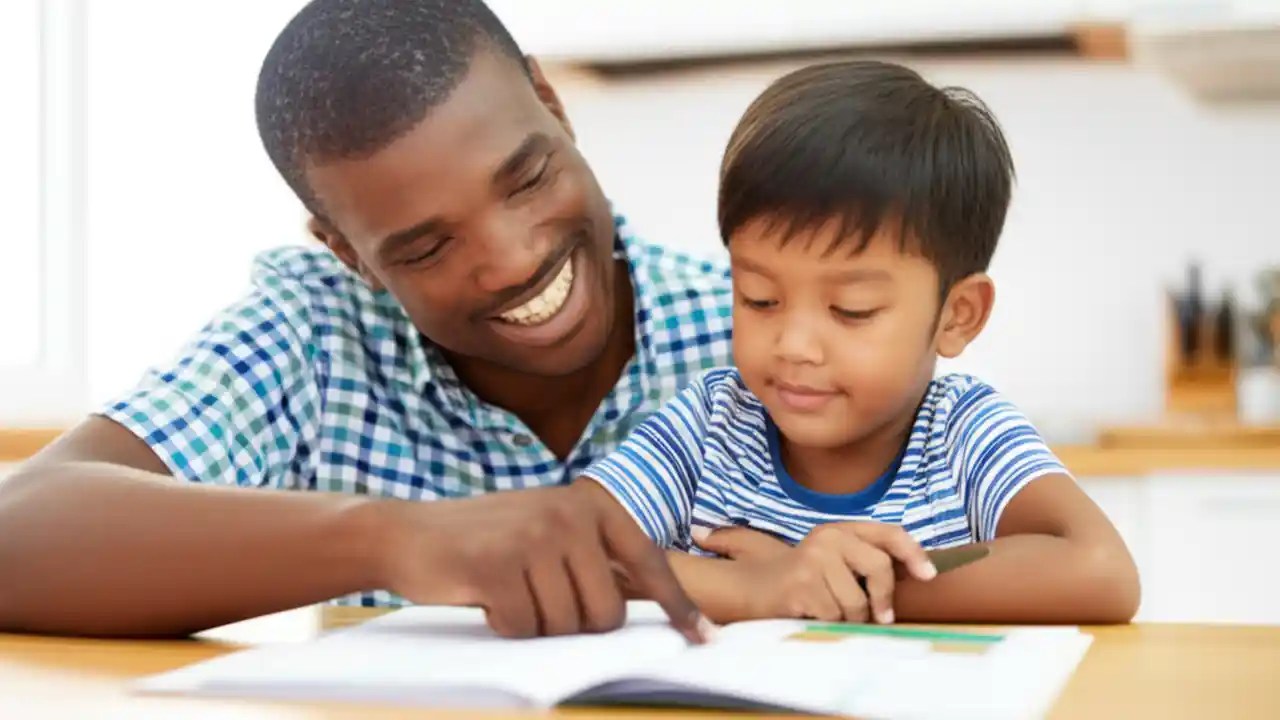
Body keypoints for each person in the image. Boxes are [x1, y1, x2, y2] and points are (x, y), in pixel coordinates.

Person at [0, 0, 731, 641]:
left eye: (529, 178)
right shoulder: (316, 338)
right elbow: (17, 536)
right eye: (429, 246)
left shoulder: (760, 332)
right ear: (348, 251)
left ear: (553, 105)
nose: (510, 261)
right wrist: (399, 540)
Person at [583, 60, 1141, 626]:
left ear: (956, 316)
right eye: (759, 298)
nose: (795, 345)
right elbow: (568, 546)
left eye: (852, 311)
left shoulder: (961, 433)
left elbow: (1100, 569)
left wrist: (848, 588)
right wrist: (756, 588)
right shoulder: (711, 427)